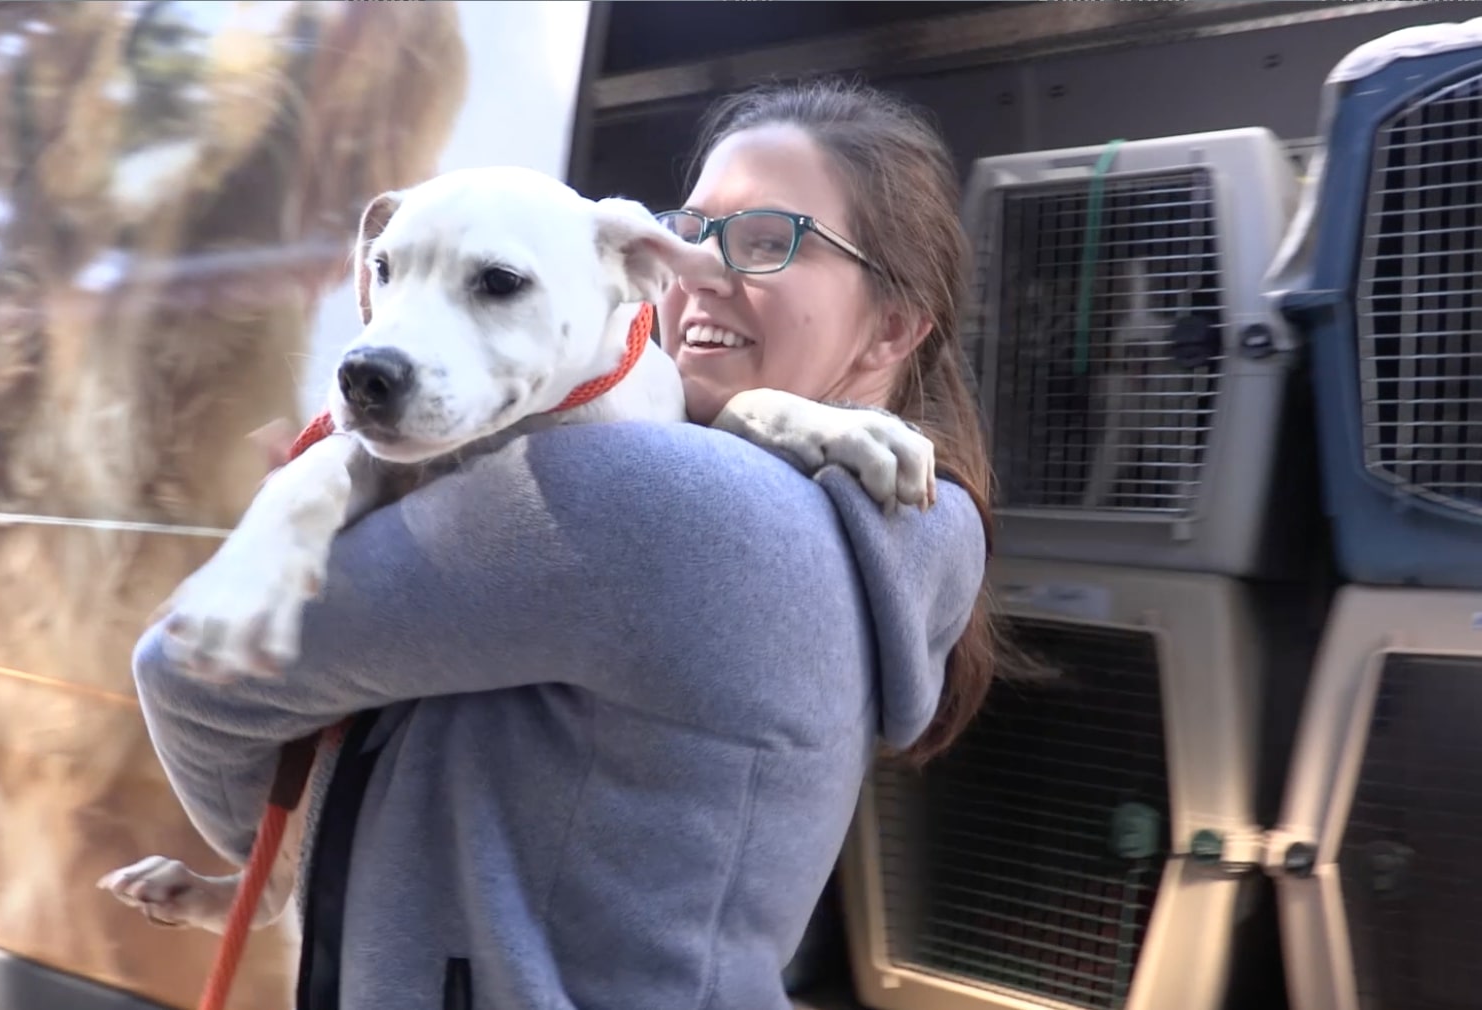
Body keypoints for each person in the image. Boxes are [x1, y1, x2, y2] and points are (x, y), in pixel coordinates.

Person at [130, 77, 997, 1010]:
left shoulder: (635, 501)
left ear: (895, 327)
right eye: (694, 228)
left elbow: (189, 674)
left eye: (767, 241)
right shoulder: (883, 534)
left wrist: (258, 871)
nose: (701, 270)